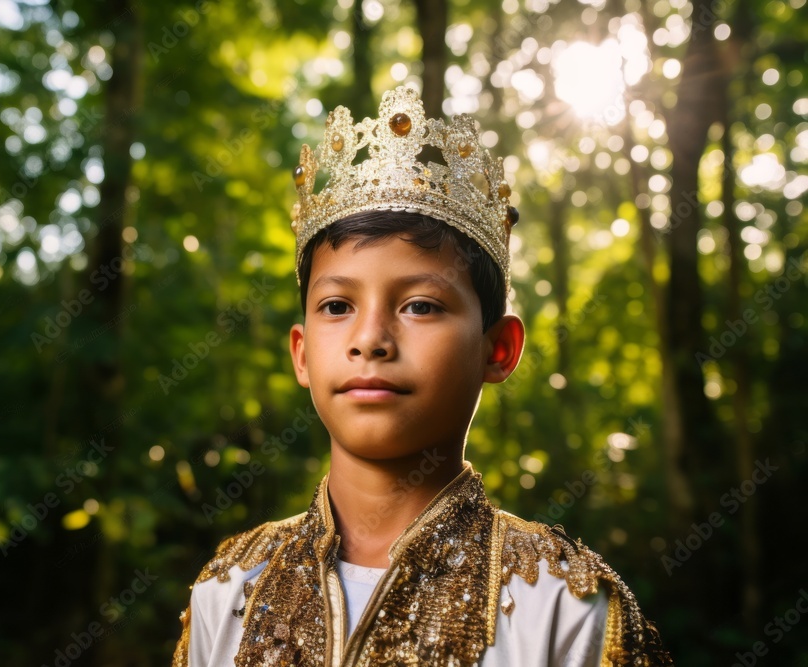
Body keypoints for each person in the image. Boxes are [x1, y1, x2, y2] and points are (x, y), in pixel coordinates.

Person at [172, 86, 672, 666]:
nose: (370, 339)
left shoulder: (566, 605)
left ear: (498, 349)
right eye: (338, 306)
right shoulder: (231, 586)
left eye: (421, 306)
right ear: (302, 354)